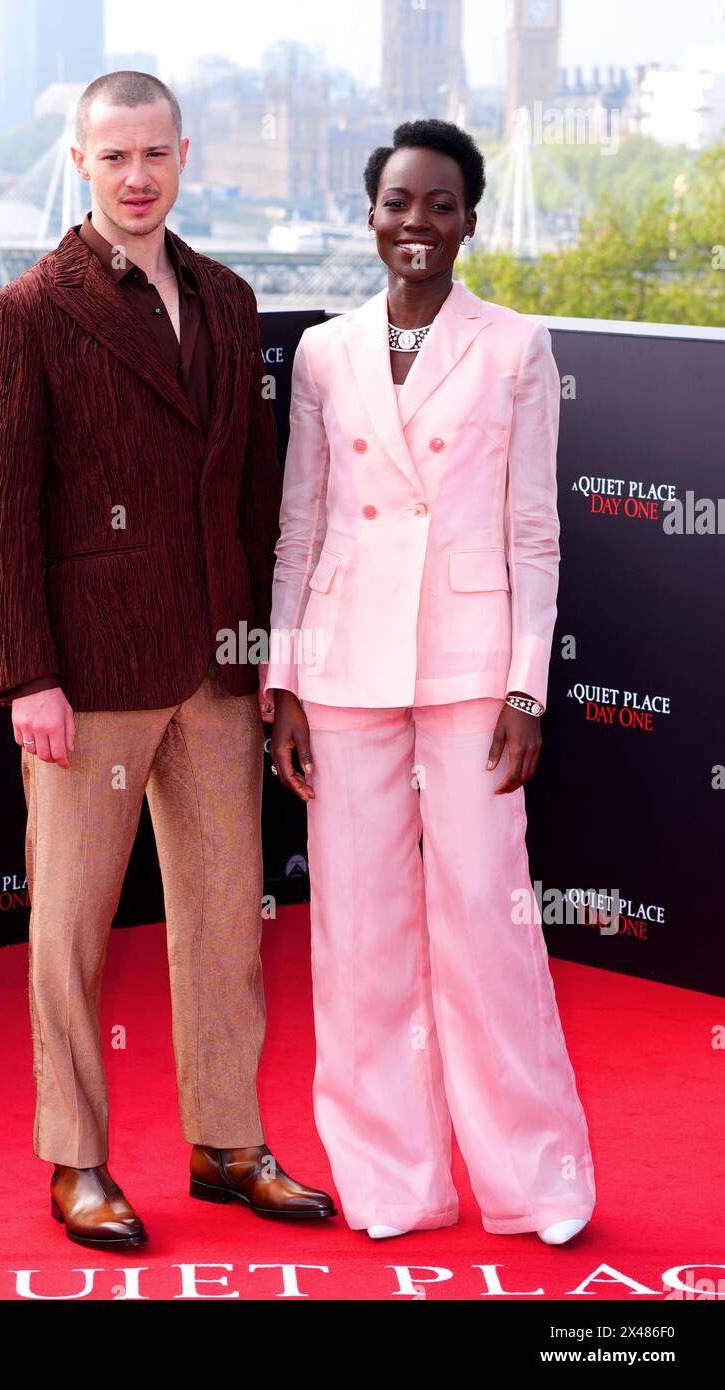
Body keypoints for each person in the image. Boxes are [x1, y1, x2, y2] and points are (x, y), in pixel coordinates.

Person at [0, 70, 335, 1249]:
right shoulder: (21, 317)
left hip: (218, 666)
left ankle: (227, 1141)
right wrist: (26, 676)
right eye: (114, 157)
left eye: (156, 155)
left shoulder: (228, 300)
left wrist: (273, 661)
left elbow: (257, 499)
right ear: (81, 162)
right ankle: (75, 1159)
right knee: (69, 926)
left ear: (184, 157)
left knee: (229, 916)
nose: (137, 177)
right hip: (89, 671)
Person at [265, 119, 596, 1245]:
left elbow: (534, 535)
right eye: (398, 202)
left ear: (468, 220)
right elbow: (300, 523)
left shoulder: (514, 347)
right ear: (369, 216)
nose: (417, 224)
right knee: (355, 936)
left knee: (487, 929)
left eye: (440, 205)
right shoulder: (321, 352)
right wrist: (284, 680)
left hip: (467, 672)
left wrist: (525, 688)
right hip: (346, 666)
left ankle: (537, 1181)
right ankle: (390, 1181)